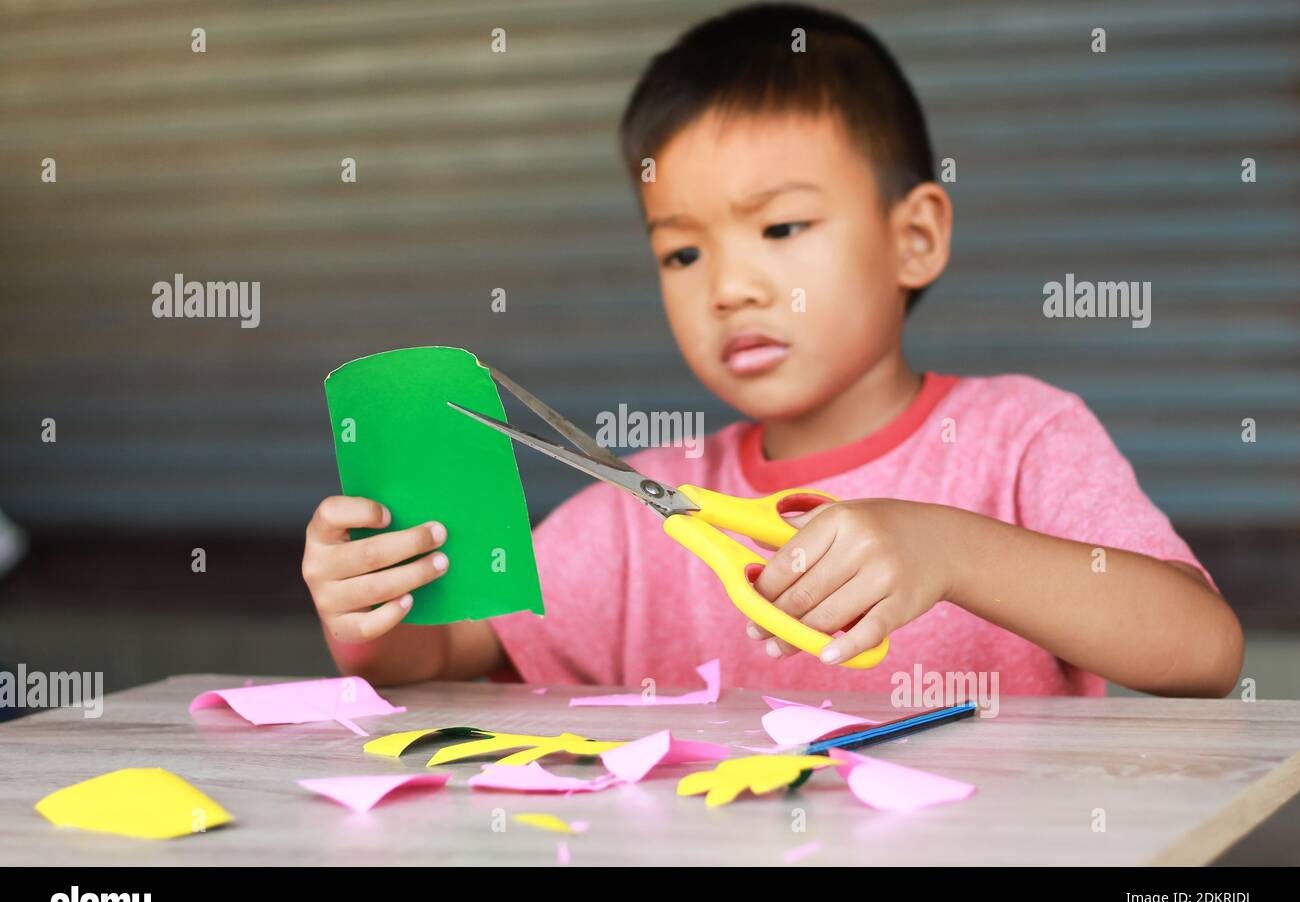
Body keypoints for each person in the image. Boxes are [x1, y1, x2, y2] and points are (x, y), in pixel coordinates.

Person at [301, 3, 1241, 697]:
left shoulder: (1023, 436)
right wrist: (371, 613)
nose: (730, 286)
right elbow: (440, 665)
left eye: (782, 228)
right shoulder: (637, 513)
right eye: (681, 250)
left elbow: (1203, 654)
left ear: (915, 237)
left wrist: (953, 551)